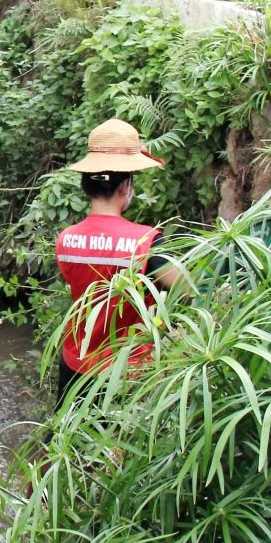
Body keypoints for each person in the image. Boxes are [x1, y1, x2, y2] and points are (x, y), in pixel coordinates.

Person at [54, 119, 179, 406]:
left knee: (70, 443)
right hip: (128, 373)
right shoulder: (146, 242)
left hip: (75, 366)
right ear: (125, 187)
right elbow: (189, 288)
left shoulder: (66, 240)